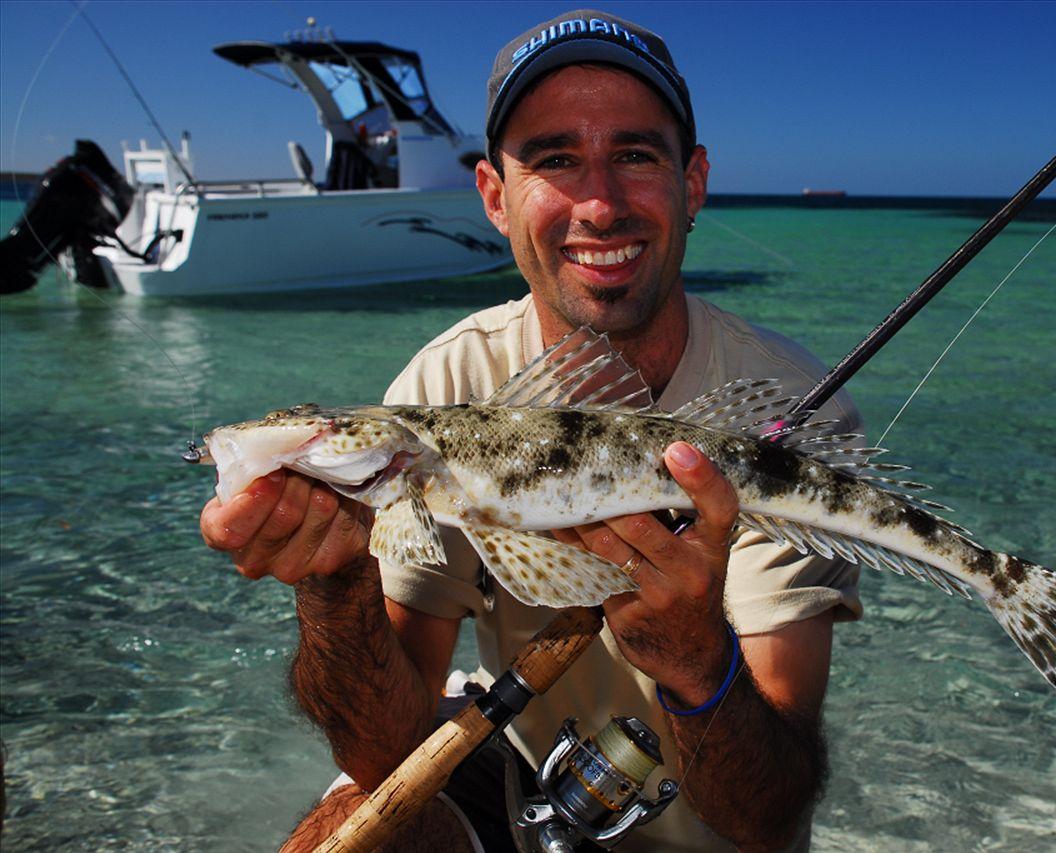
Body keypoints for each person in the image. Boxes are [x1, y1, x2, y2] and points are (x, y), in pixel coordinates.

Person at [200, 9, 862, 852]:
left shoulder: (792, 409)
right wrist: (333, 588)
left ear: (692, 182)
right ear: (494, 197)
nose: (599, 202)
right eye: (554, 159)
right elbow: (383, 755)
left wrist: (699, 663)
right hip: (517, 774)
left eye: (634, 154)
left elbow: (765, 818)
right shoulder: (446, 380)